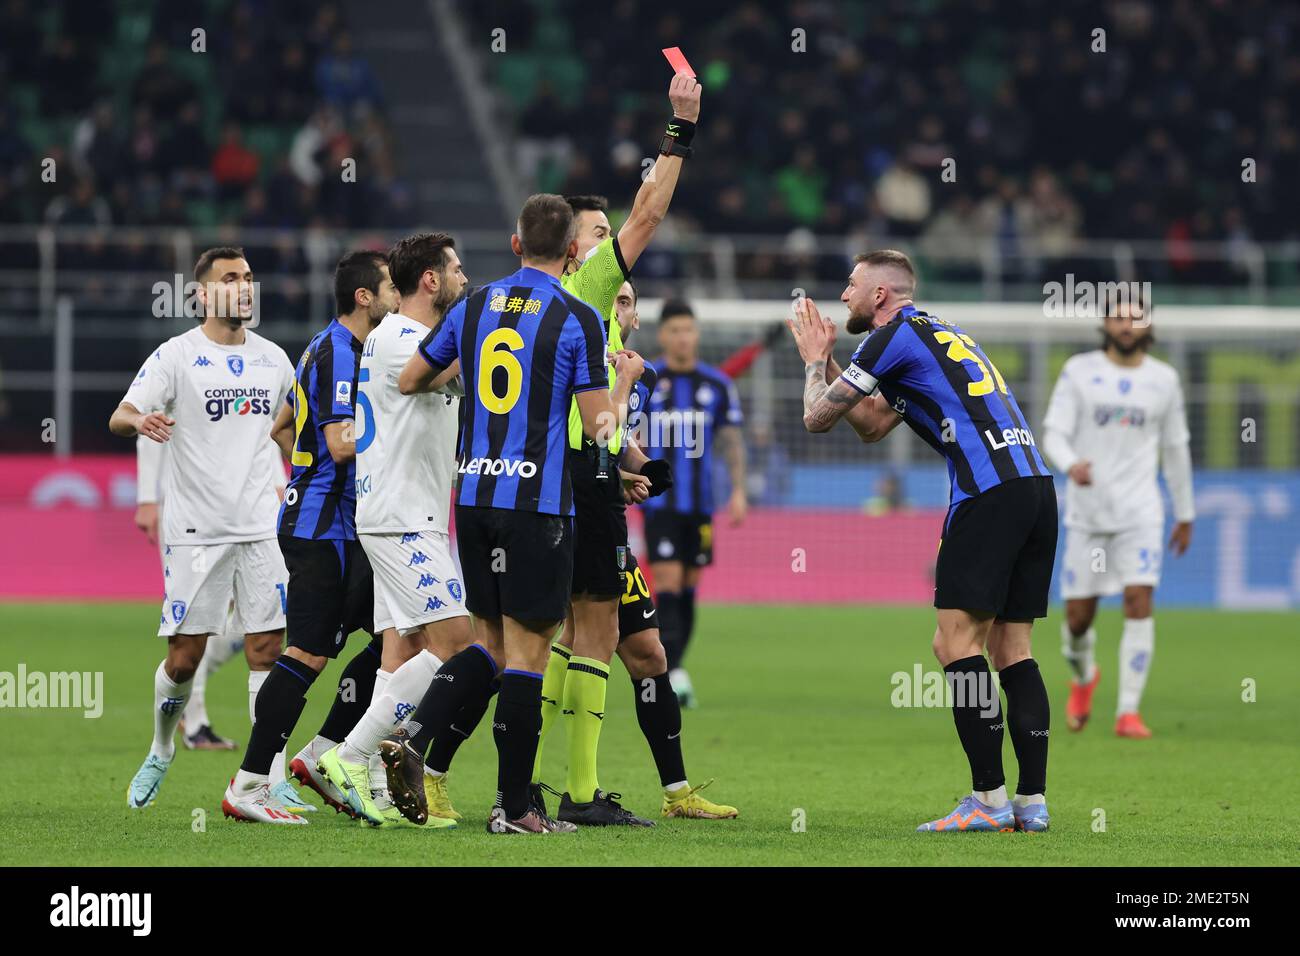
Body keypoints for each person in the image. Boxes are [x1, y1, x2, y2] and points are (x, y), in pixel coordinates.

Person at [394, 193, 643, 834]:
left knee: (491, 645)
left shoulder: (473, 307)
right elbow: (596, 428)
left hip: (473, 497)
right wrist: (621, 389)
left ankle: (414, 737)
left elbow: (412, 378)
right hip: (537, 505)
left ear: (514, 245)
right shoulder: (578, 317)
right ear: (569, 252)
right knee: (529, 658)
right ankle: (516, 808)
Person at [790, 249, 1057, 833]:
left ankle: (988, 800)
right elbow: (874, 424)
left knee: (953, 644)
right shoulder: (938, 332)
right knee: (1013, 649)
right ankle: (1031, 803)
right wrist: (835, 364)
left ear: (881, 295)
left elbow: (817, 418)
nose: (844, 296)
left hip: (987, 494)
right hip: (1035, 489)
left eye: (852, 285)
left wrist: (813, 361)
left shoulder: (891, 337)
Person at [110, 246, 294, 812]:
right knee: (185, 657)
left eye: (248, 278)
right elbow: (121, 415)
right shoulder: (176, 356)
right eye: (230, 279)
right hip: (197, 533)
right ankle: (164, 746)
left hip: (263, 526)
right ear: (201, 294)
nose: (243, 288)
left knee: (268, 648)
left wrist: (303, 482)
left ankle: (267, 777)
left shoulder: (275, 360)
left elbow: (287, 433)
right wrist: (142, 419)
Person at [222, 250, 397, 823]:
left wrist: (304, 472)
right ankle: (248, 786)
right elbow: (344, 442)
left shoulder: (336, 349)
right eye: (390, 287)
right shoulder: (339, 352)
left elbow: (282, 428)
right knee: (307, 655)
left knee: (401, 637)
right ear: (364, 297)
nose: (397, 297)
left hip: (341, 524)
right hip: (325, 531)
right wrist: (399, 437)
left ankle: (323, 756)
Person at [313, 233, 476, 829]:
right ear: (430, 279)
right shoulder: (400, 339)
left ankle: (374, 787)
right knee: (460, 643)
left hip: (414, 513)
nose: (463, 277)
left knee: (403, 650)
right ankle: (350, 756)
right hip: (401, 517)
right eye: (455, 269)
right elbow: (428, 378)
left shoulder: (419, 338)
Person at [1041, 296, 1194, 738]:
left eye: (1135, 317)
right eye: (1118, 317)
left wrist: (1185, 512)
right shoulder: (1080, 371)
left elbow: (1176, 448)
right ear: (1105, 324)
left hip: (1140, 512)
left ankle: (1128, 712)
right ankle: (1085, 678)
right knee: (1077, 620)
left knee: (1138, 602)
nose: (1126, 325)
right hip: (1088, 515)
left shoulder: (1164, 379)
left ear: (1149, 326)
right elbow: (1054, 430)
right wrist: (1071, 463)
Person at [640, 299, 747, 707]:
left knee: (688, 589)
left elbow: (731, 441)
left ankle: (676, 667)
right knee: (665, 585)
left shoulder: (717, 384)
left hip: (701, 505)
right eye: (675, 331)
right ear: (663, 335)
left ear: (696, 334)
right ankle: (671, 672)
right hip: (660, 504)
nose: (683, 337)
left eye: (689, 330)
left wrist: (738, 491)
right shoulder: (647, 380)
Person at [135, 435, 244, 751]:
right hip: (187, 509)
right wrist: (146, 499)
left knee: (258, 614)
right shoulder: (176, 382)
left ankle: (186, 702)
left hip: (241, 507)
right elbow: (148, 428)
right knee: (196, 618)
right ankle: (194, 721)